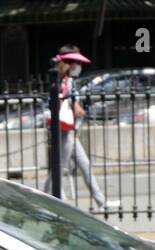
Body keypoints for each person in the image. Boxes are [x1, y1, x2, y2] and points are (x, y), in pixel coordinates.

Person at [43, 45, 117, 211]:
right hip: (65, 130)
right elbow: (72, 108)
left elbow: (73, 107)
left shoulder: (67, 81)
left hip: (69, 130)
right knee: (59, 167)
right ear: (69, 63)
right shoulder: (62, 81)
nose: (78, 66)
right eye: (75, 62)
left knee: (83, 165)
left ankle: (101, 202)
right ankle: (49, 199)